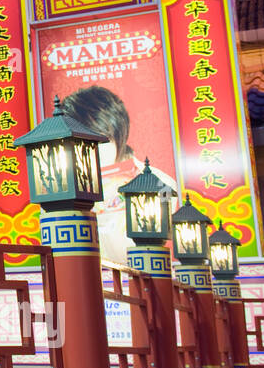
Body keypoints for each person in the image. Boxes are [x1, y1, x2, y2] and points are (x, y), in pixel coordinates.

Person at [61, 86, 177, 264]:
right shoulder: (60, 191)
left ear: (119, 132)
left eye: (98, 141)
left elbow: (146, 251)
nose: (88, 152)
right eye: (79, 143)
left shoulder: (160, 184)